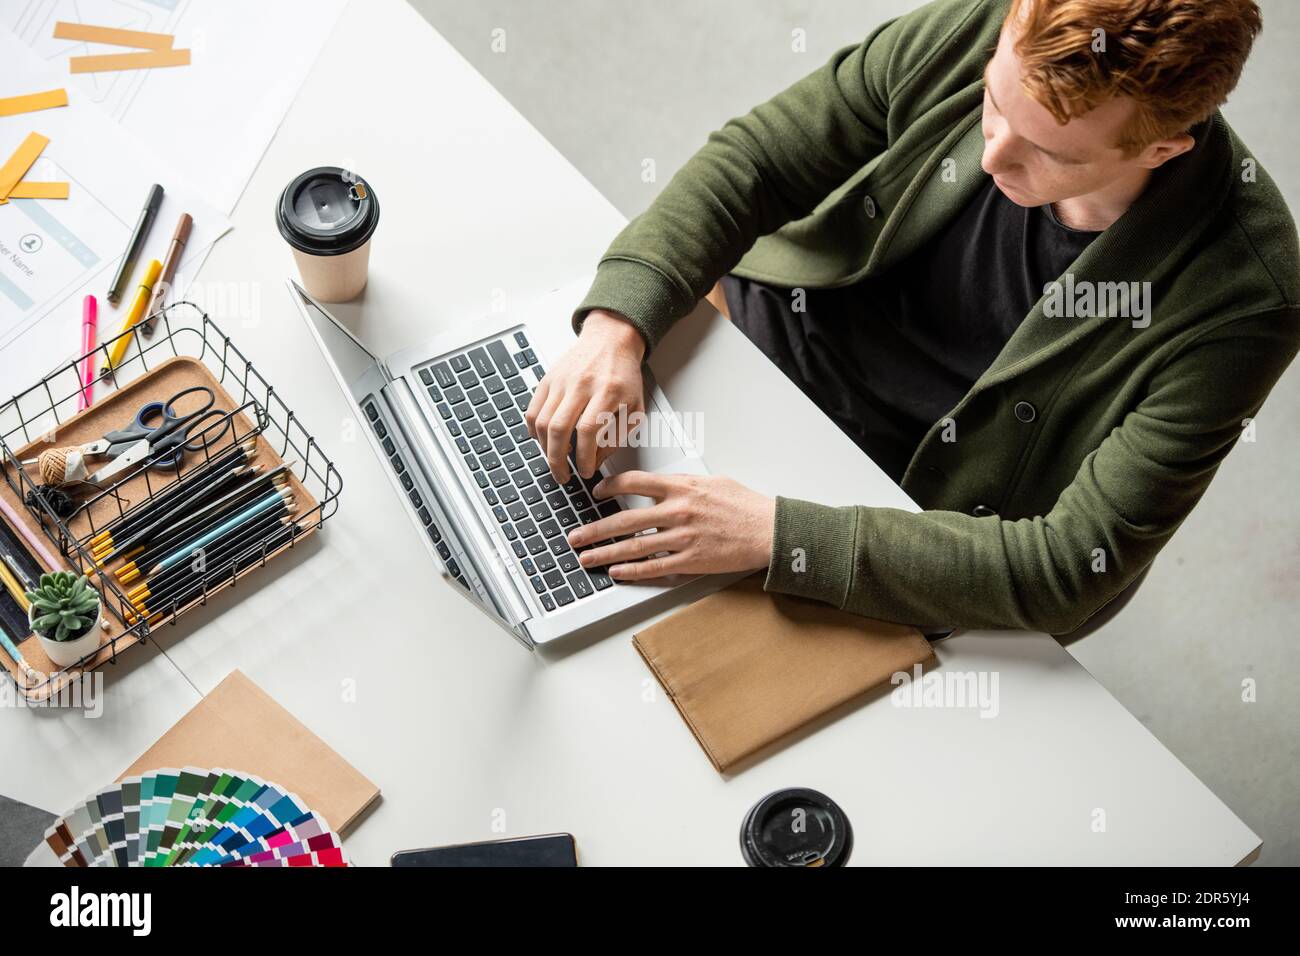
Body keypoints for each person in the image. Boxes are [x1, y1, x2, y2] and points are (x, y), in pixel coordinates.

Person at [525, 0, 1298, 634]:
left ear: (1163, 149)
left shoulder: (1247, 299)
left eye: (1051, 155)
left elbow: (1069, 566)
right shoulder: (994, 22)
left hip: (913, 522)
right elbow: (757, 162)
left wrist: (777, 537)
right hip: (759, 356)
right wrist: (616, 327)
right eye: (995, 103)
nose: (993, 157)